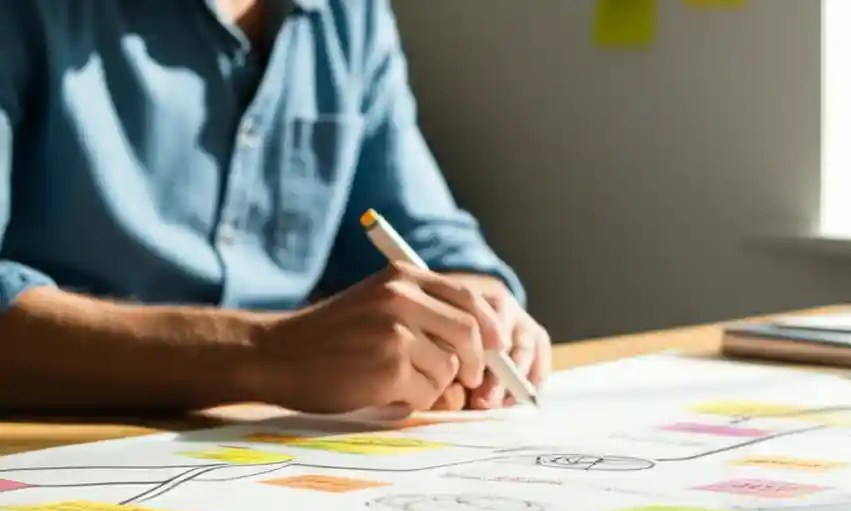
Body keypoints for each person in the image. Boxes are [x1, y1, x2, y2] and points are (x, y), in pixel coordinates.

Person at [0, 0, 550, 415]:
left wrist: (477, 306)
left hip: (263, 456)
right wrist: (268, 354)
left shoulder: (347, 14)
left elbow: (426, 240)